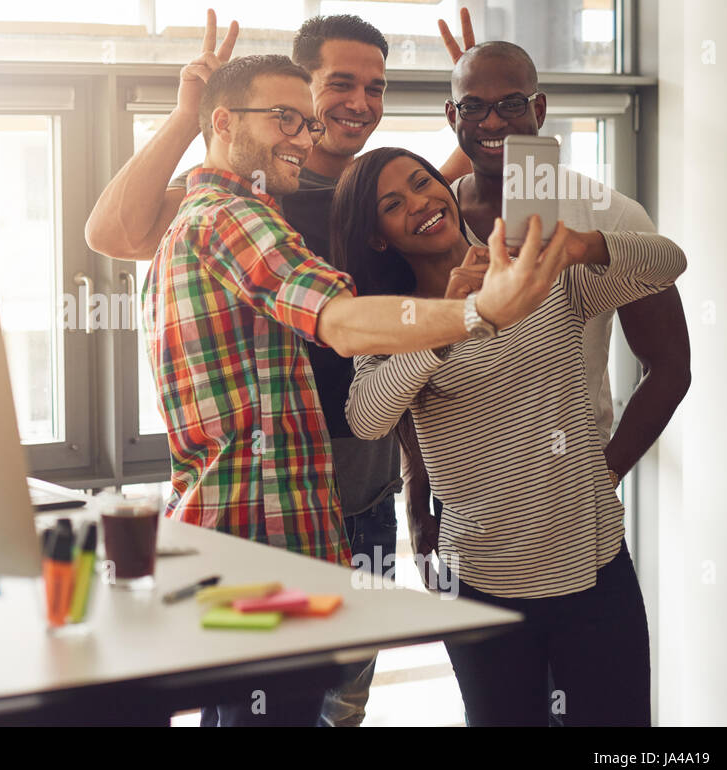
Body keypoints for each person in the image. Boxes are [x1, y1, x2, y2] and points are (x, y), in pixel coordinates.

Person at [142, 55, 570, 726]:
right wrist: (478, 312)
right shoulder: (230, 218)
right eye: (283, 117)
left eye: (305, 122)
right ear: (222, 123)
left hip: (252, 548)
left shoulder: (210, 218)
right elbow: (339, 322)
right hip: (261, 556)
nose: (303, 136)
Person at [90, 10, 472, 726]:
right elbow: (114, 230)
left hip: (353, 500)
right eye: (337, 86)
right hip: (265, 509)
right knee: (268, 706)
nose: (356, 104)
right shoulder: (245, 205)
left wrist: (475, 121)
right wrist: (188, 115)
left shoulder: (359, 195)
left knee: (336, 708)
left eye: (376, 87)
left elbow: (426, 208)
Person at [335, 147, 687, 726]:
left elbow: (666, 262)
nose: (420, 201)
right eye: (393, 205)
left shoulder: (543, 282)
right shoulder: (394, 320)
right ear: (377, 238)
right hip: (482, 585)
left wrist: (581, 246)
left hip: (595, 570)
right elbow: (367, 417)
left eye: (424, 183)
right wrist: (451, 316)